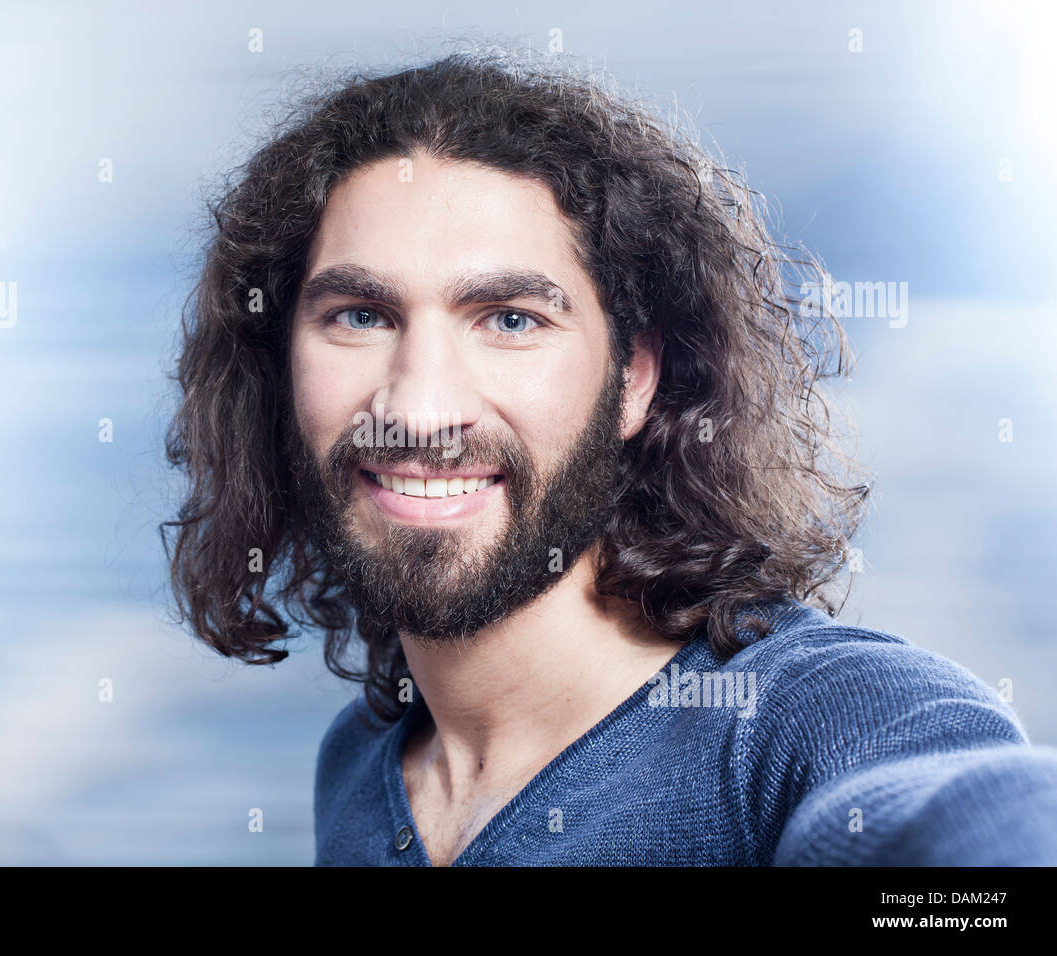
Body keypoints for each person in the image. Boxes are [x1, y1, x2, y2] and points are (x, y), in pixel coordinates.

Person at [164, 50, 1057, 865]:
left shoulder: (811, 719)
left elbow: (974, 830)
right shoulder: (360, 764)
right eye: (360, 315)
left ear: (633, 378)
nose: (420, 409)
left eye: (511, 320)